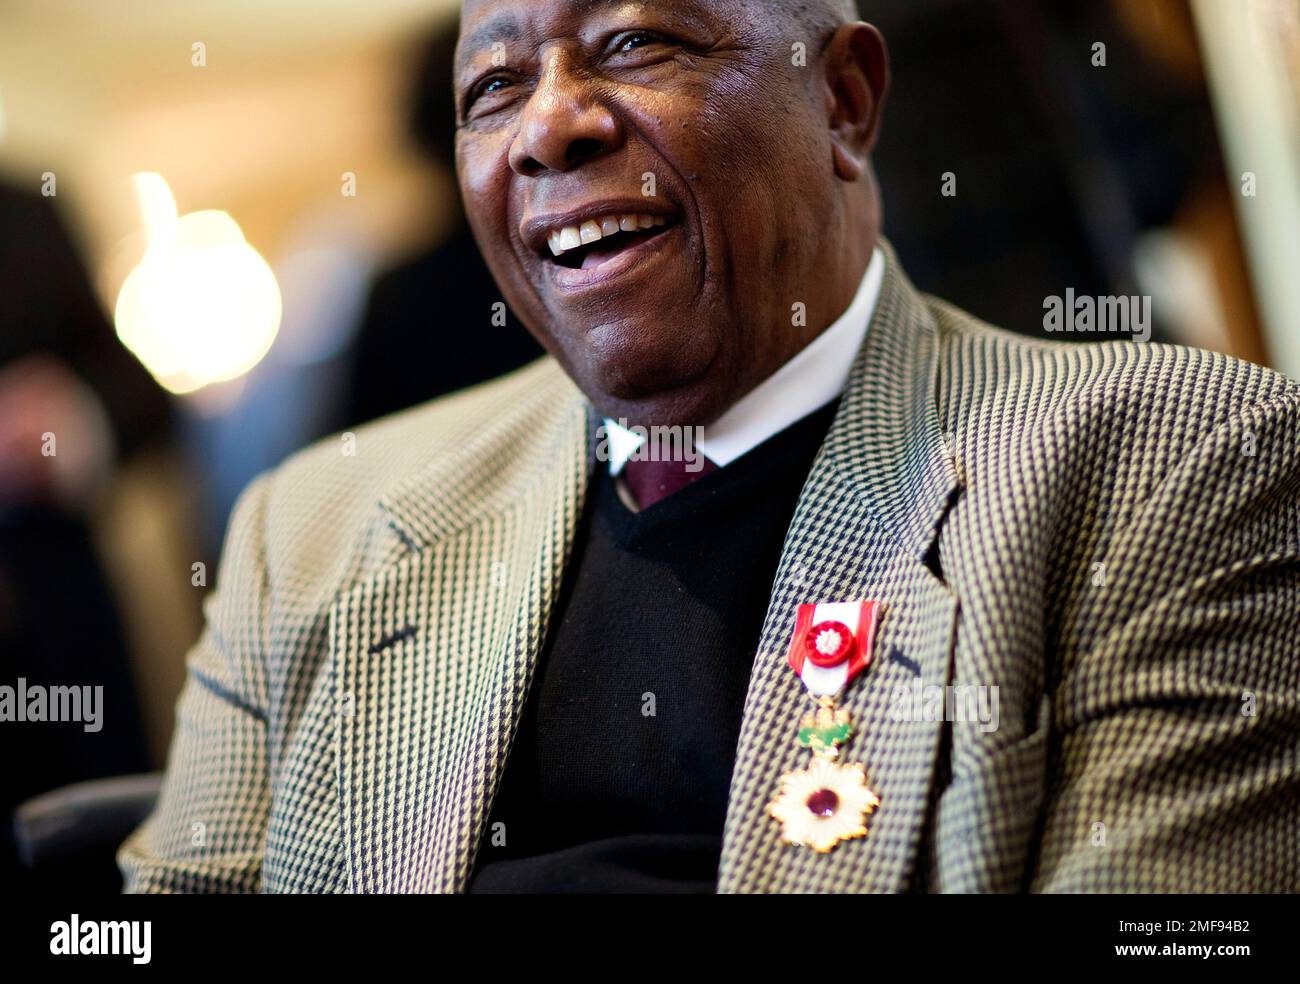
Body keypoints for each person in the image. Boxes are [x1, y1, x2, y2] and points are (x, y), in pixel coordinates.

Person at [121, 0, 1300, 893]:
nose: (547, 127)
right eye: (492, 85)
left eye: (637, 47)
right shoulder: (311, 524)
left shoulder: (1172, 463)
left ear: (841, 99)